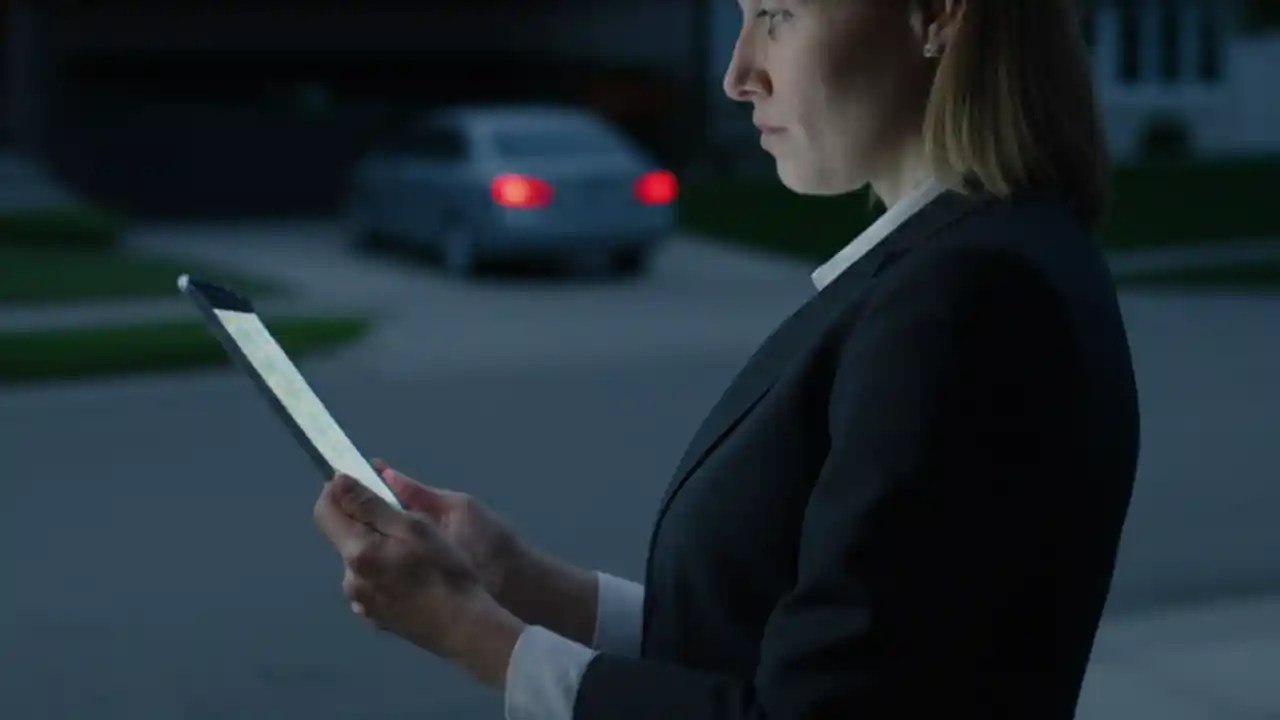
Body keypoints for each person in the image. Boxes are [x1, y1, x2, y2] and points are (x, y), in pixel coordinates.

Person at [312, 0, 1141, 717]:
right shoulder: (964, 266)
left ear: (937, 15)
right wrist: (528, 586)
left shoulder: (967, 301)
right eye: (740, 20)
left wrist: (474, 634)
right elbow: (820, 651)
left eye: (778, 16)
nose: (739, 74)